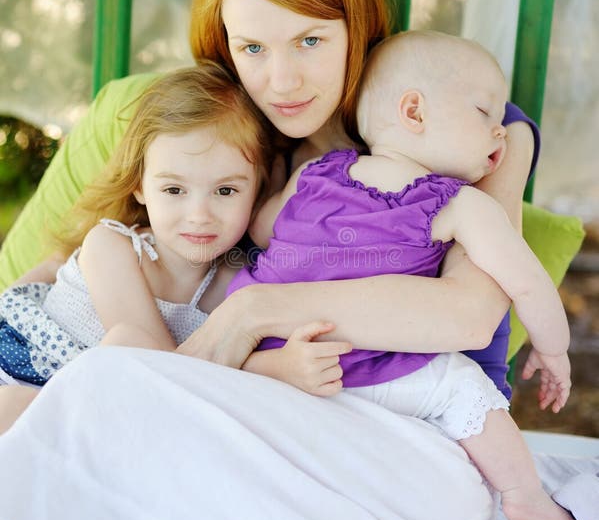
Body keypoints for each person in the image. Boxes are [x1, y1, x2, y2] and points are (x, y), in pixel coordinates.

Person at [0, 0, 569, 520]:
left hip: (436, 432)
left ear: (355, 24)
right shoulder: (243, 144)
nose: (282, 77)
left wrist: (255, 312)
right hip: (288, 418)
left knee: (110, 394)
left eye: (309, 39)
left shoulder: (469, 122)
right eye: (252, 47)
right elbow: (113, 240)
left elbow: (468, 312)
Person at [228, 29, 583, 520]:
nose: (501, 132)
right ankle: (526, 496)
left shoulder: (313, 174)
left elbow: (259, 232)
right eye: (486, 113)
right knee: (464, 389)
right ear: (414, 112)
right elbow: (526, 282)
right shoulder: (457, 204)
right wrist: (555, 350)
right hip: (375, 371)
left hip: (273, 366)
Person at [0, 62, 350, 400]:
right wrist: (270, 367)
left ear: (257, 192)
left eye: (226, 191)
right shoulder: (111, 247)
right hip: (22, 367)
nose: (199, 216)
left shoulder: (235, 282)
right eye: (174, 190)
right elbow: (155, 362)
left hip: (97, 400)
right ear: (139, 185)